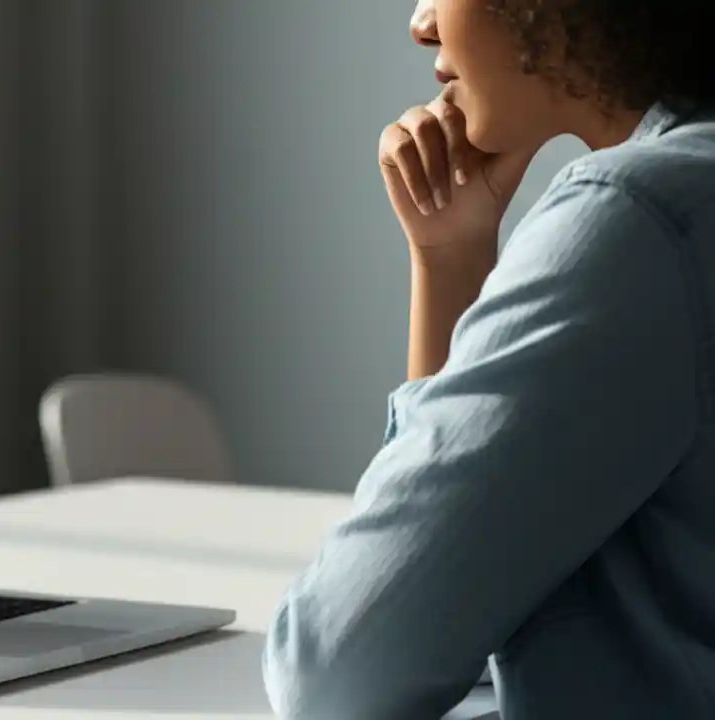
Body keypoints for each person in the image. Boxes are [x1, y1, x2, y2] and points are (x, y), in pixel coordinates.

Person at [263, 1, 715, 718]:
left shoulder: (639, 220)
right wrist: (451, 260)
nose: (421, 22)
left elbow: (338, 672)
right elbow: (446, 620)